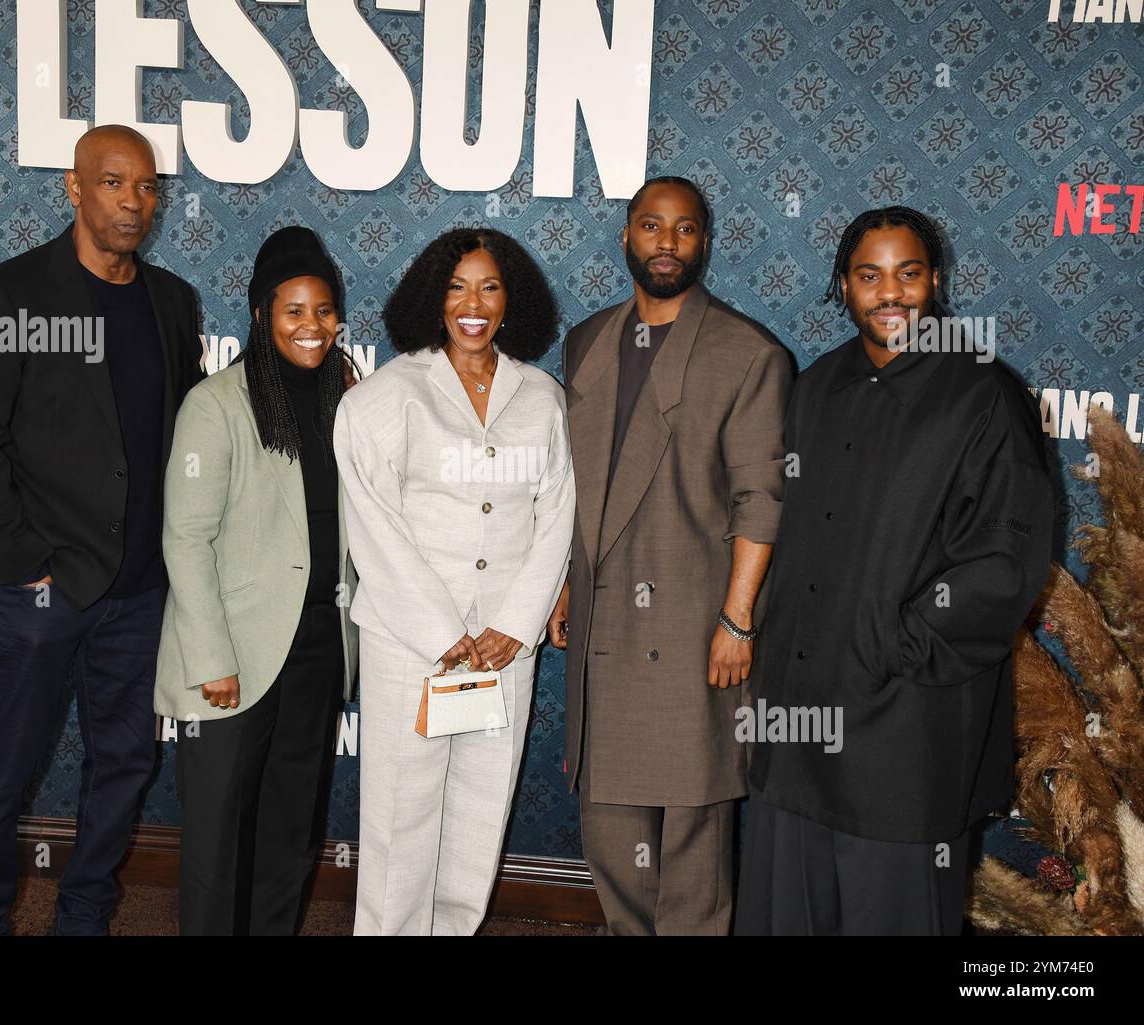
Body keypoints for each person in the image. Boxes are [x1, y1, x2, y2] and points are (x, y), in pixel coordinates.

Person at [736, 206, 1055, 936]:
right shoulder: (815, 386)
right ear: (841, 287)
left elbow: (1003, 561)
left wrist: (893, 645)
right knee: (788, 911)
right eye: (869, 275)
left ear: (935, 281)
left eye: (908, 274)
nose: (891, 293)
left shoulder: (983, 395)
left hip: (904, 724)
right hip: (798, 718)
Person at [0, 125, 205, 935]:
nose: (134, 202)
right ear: (76, 188)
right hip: (39, 592)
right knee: (4, 773)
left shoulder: (170, 301)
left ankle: (83, 918)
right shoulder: (10, 295)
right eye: (115, 183)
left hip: (137, 594)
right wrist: (23, 562)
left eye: (149, 186)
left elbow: (182, 432)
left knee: (124, 766)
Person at [550, 176, 791, 935]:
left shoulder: (747, 353)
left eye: (684, 229)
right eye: (651, 226)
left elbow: (762, 498)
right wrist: (564, 584)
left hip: (693, 631)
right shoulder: (587, 341)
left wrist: (738, 618)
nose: (667, 242)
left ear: (705, 244)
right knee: (614, 848)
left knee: (689, 863)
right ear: (626, 237)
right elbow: (576, 487)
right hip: (602, 629)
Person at [334, 228, 575, 935]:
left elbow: (558, 512)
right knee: (397, 827)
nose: (474, 304)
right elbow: (373, 529)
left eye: (490, 287)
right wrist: (446, 636)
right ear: (432, 297)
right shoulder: (386, 397)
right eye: (457, 286)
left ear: (513, 300)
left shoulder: (541, 396)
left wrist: (516, 622)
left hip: (504, 650)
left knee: (477, 818)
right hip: (415, 649)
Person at [155, 226, 358, 936]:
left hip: (318, 647)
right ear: (263, 314)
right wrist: (210, 658)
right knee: (218, 833)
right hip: (235, 654)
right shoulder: (216, 404)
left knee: (291, 827)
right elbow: (185, 536)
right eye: (294, 309)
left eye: (324, 309)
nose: (312, 325)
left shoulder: (349, 399)